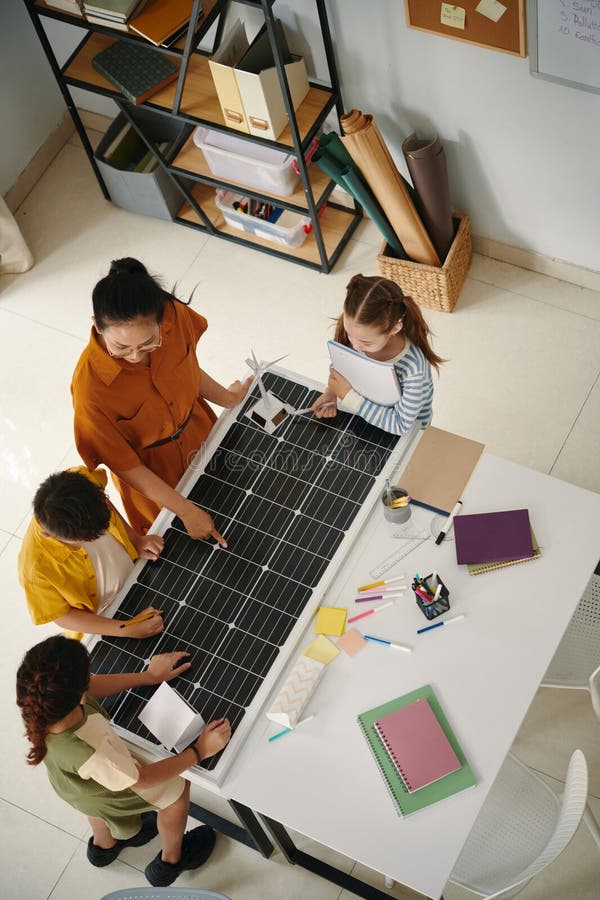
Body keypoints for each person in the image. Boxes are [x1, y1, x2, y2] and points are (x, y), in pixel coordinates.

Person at [16, 635, 231, 887]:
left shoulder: (41, 704)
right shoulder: (92, 752)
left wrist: (148, 677)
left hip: (74, 787)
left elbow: (91, 685)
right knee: (177, 790)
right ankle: (171, 861)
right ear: (78, 696)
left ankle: (103, 847)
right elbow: (143, 780)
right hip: (109, 782)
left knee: (94, 807)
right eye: (88, 674)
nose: (91, 675)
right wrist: (199, 751)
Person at [71, 257, 251, 540]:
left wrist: (228, 398)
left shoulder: (175, 316)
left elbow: (186, 368)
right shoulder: (89, 390)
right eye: (121, 346)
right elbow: (123, 464)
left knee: (239, 502)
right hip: (154, 477)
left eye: (147, 343)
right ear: (97, 326)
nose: (135, 355)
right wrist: (186, 511)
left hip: (201, 433)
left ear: (160, 318)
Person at [18, 467, 164, 640]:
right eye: (87, 539)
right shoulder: (34, 569)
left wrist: (135, 539)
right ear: (48, 535)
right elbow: (62, 616)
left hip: (137, 574)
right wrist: (125, 628)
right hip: (106, 617)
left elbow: (102, 499)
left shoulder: (82, 480)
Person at [312, 274, 443, 435]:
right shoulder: (359, 333)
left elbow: (401, 425)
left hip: (407, 434)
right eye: (349, 334)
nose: (355, 346)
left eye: (366, 343)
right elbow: (340, 368)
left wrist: (347, 396)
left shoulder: (414, 371)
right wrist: (331, 393)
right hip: (366, 416)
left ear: (395, 328)